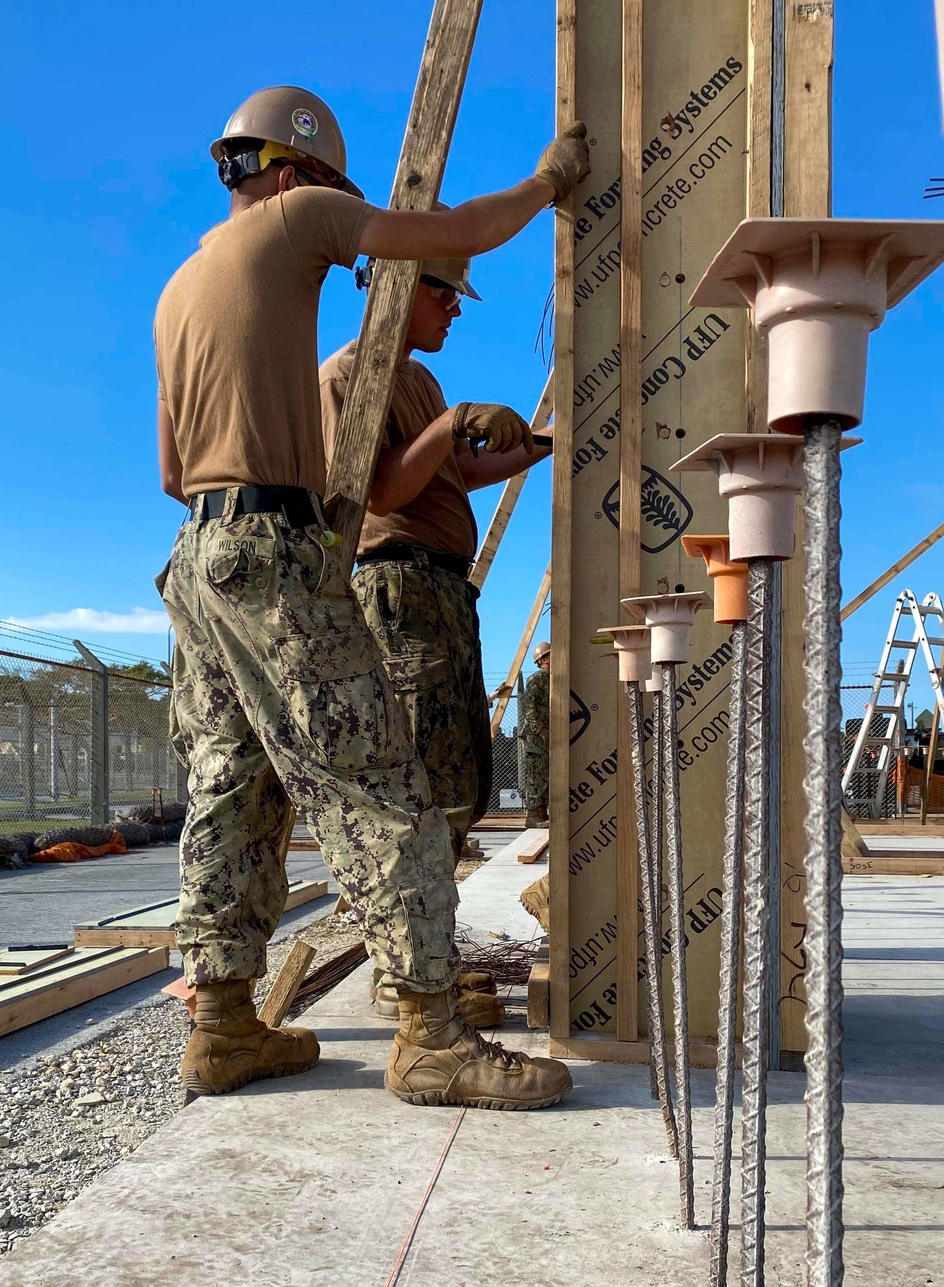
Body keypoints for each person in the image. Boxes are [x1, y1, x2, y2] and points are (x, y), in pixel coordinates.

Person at [154, 86, 588, 1109]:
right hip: (274, 550)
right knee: (382, 789)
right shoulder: (300, 215)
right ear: (299, 173)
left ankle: (221, 1028)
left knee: (234, 788)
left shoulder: (178, 287)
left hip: (198, 554)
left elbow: (172, 469)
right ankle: (433, 1037)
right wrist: (546, 183)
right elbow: (453, 232)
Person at [320, 241, 551, 1028]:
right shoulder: (349, 375)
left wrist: (534, 447)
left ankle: (429, 961)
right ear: (400, 288)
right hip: (398, 586)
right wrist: (453, 425)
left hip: (441, 588)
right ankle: (404, 975)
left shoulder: (418, 378)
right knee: (418, 788)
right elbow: (381, 485)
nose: (455, 310)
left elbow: (444, 475)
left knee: (457, 785)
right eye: (447, 296)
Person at [519, 640, 551, 828]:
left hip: (545, 734)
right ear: (543, 659)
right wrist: (540, 729)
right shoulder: (537, 679)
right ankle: (532, 815)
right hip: (535, 736)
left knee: (545, 774)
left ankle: (541, 812)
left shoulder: (551, 679)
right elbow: (528, 706)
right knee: (536, 775)